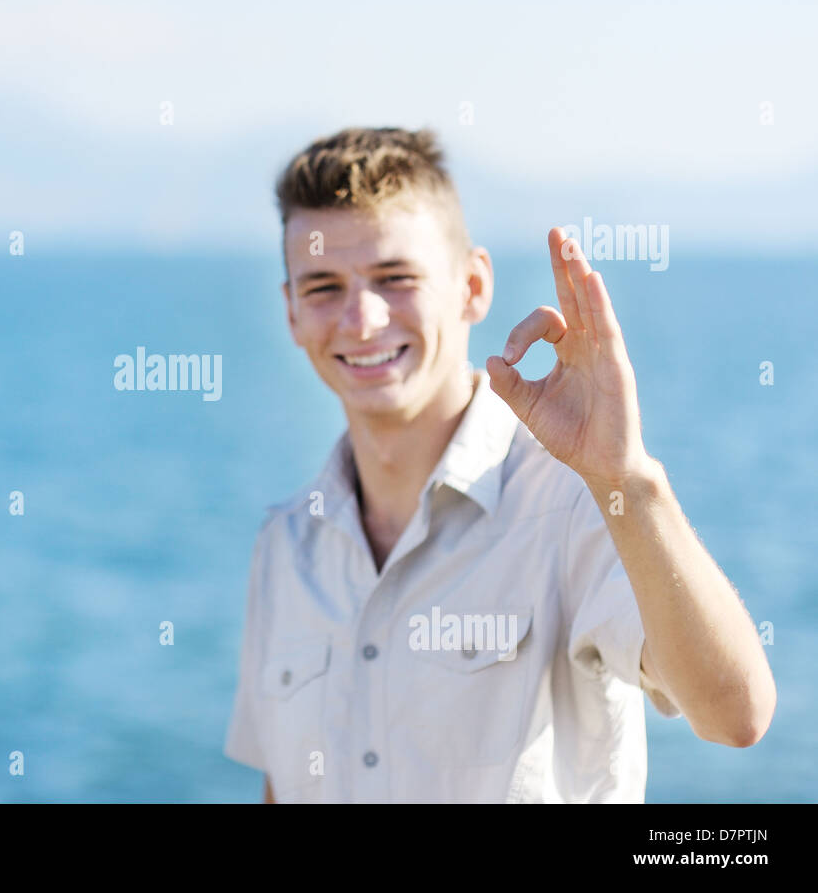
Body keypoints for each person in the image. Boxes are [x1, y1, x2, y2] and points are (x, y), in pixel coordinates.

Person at [224, 127, 776, 802]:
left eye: (395, 278)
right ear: (289, 313)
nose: (362, 319)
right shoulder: (286, 547)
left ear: (472, 286)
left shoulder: (576, 506)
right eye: (322, 286)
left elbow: (736, 713)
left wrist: (625, 478)